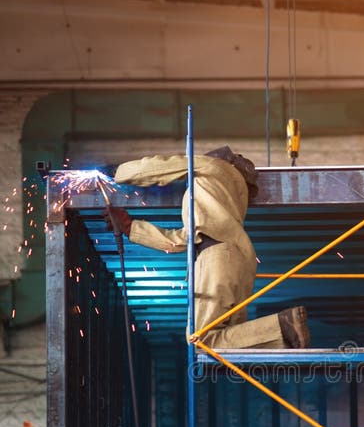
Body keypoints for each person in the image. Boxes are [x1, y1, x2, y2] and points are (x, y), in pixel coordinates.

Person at [104, 147, 310, 350]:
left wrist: (118, 173)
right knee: (230, 342)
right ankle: (286, 334)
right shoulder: (233, 200)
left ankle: (282, 326)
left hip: (217, 259)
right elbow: (182, 240)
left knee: (200, 340)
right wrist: (130, 227)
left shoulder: (213, 166)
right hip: (240, 263)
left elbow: (159, 168)